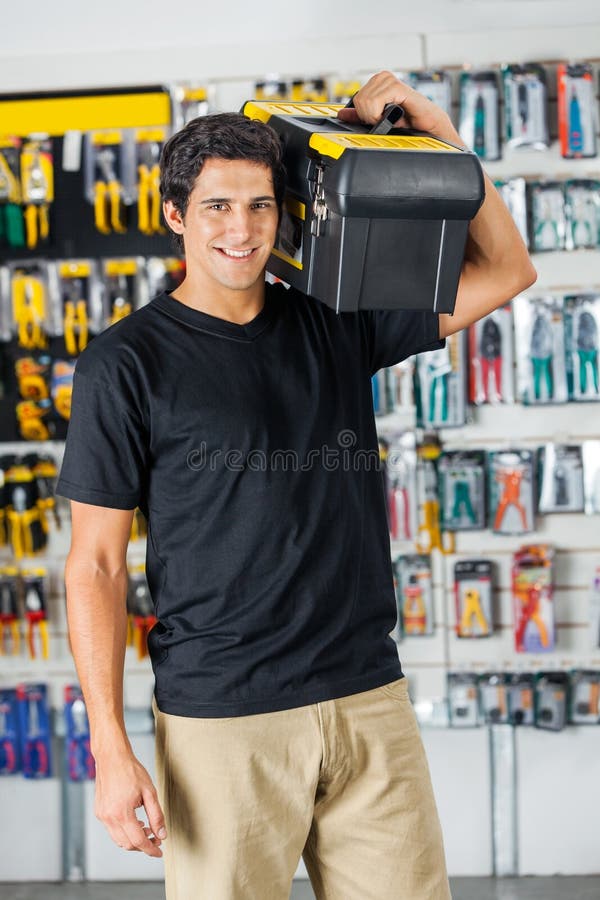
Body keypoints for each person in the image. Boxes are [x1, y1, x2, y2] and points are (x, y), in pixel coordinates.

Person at [57, 71, 536, 900]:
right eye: (216, 206)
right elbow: (93, 566)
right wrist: (110, 746)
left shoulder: (336, 317)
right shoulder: (124, 364)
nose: (241, 229)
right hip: (223, 720)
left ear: (286, 215)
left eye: (260, 205)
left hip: (368, 702)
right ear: (176, 217)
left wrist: (448, 144)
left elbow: (506, 270)